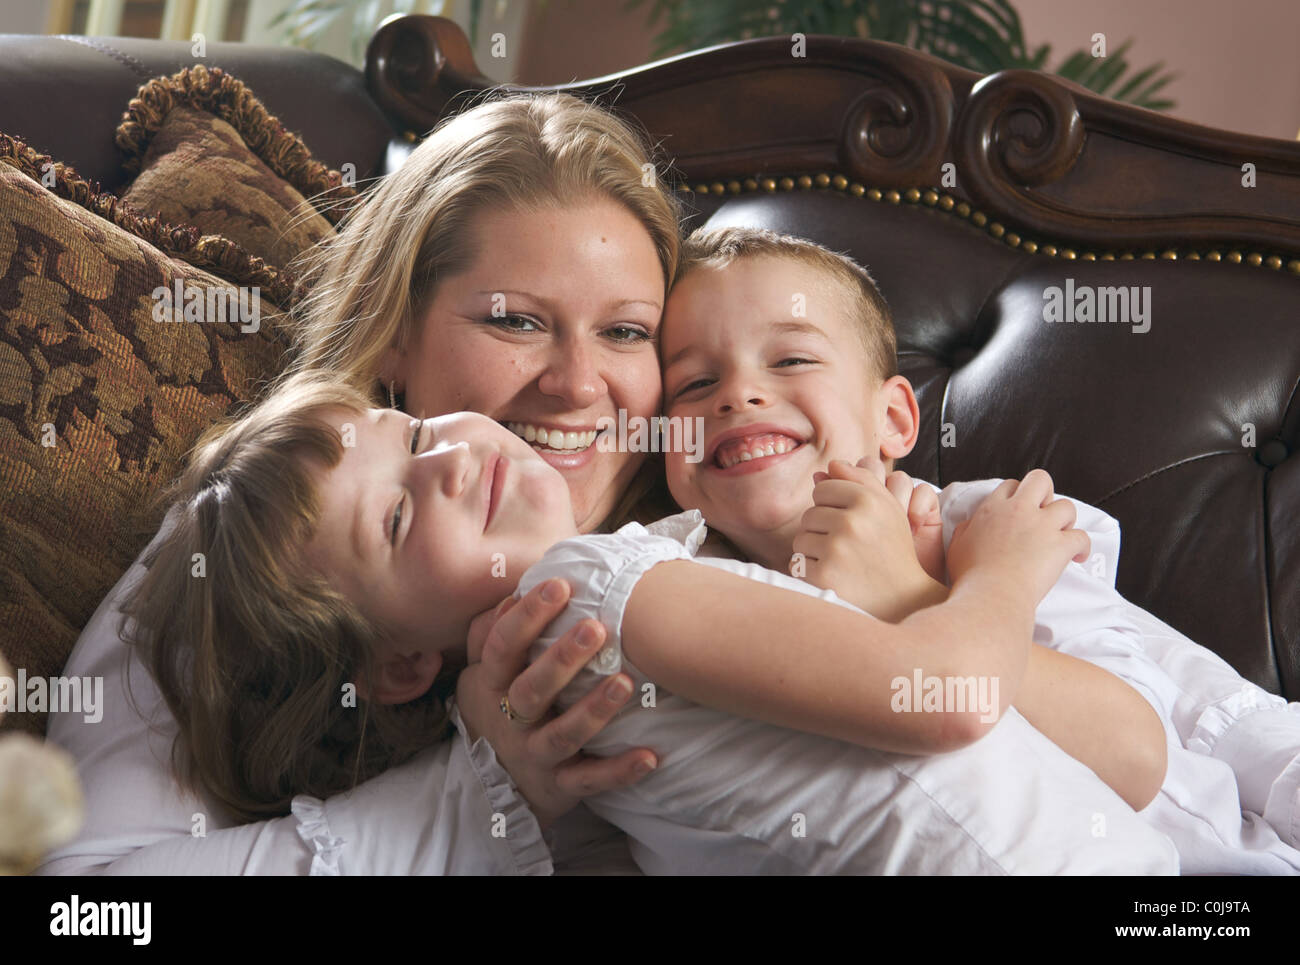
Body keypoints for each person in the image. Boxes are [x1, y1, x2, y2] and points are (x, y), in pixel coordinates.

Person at [114, 367, 1180, 874]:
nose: (449, 457)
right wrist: (1000, 571)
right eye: (394, 515)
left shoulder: (618, 625)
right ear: (399, 666)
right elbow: (946, 701)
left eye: (414, 427)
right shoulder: (590, 591)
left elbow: (1124, 763)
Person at [39, 91, 681, 874]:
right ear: (395, 335)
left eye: (625, 332)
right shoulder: (263, 538)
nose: (580, 385)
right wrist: (473, 799)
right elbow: (89, 907)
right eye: (515, 321)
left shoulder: (713, 492)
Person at [653, 224, 1300, 874]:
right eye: (693, 385)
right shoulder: (689, 592)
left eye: (790, 360)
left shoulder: (989, 532)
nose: (738, 394)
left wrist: (910, 595)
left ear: (895, 420)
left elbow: (1133, 758)